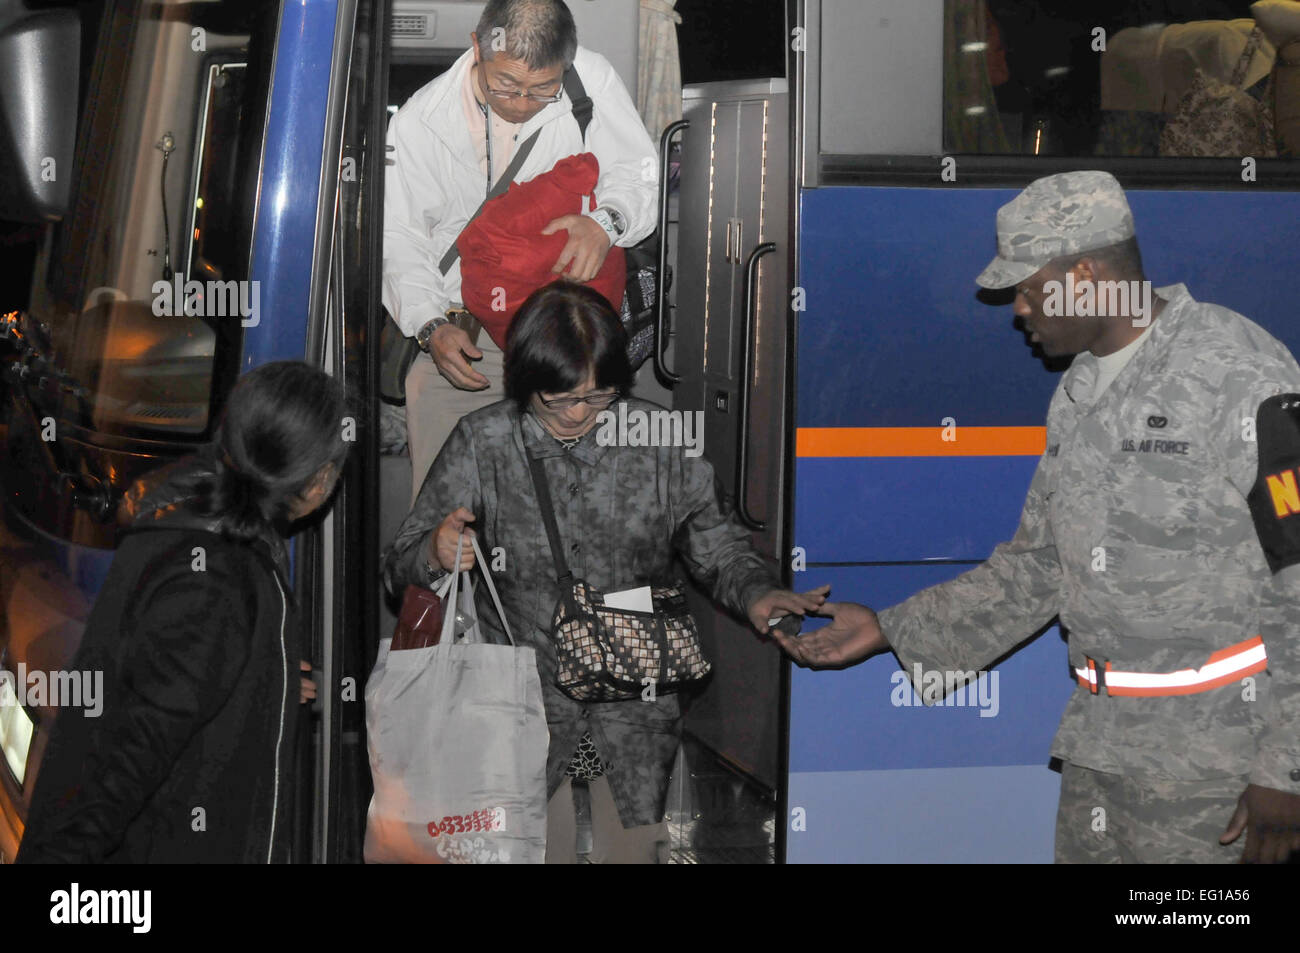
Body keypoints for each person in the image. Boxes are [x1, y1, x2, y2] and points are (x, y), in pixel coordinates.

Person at [774, 170, 1300, 864]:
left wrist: (1285, 771)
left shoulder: (1239, 373)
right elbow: (1038, 567)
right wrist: (889, 629)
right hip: (1101, 757)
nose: (1018, 308)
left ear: (1084, 273)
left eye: (1027, 286)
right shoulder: (1081, 390)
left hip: (1217, 779)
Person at [383, 282, 827, 863]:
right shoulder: (485, 440)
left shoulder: (661, 440)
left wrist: (759, 593)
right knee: (533, 849)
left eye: (598, 397)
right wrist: (436, 554)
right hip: (522, 707)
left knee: (633, 851)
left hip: (635, 706)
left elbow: (716, 545)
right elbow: (402, 565)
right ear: (524, 384)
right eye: (558, 398)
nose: (577, 414)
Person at [17, 362, 354, 863]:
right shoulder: (216, 585)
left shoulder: (194, 522)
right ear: (317, 484)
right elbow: (124, 765)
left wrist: (269, 677)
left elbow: (183, 689)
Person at [383, 0, 658, 504]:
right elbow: (400, 235)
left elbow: (638, 173)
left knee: (573, 498)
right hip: (467, 333)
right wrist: (428, 326)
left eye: (542, 89)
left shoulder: (589, 80)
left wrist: (606, 223)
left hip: (568, 331)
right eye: (505, 85)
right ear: (477, 47)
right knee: (448, 502)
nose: (522, 103)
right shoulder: (421, 120)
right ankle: (448, 579)